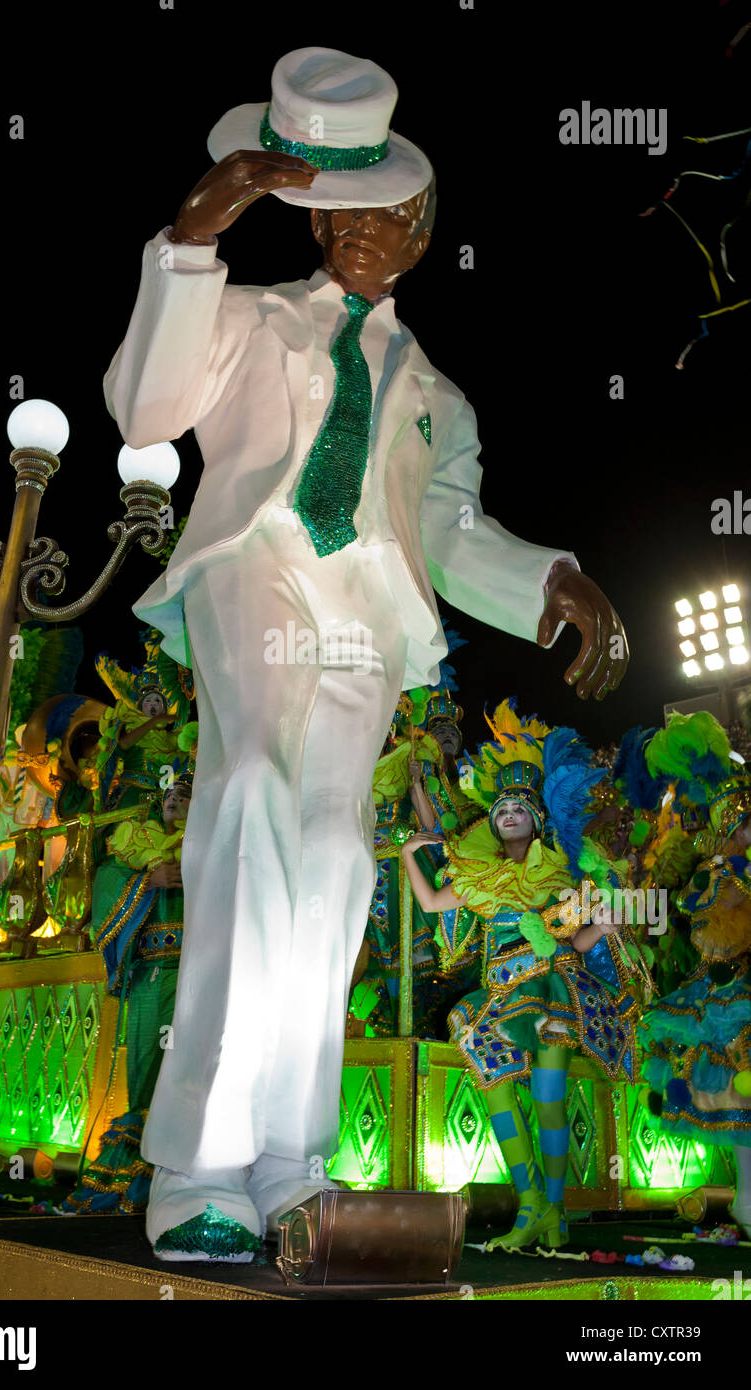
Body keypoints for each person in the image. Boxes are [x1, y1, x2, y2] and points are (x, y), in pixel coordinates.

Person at [104, 47, 629, 1260]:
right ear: (304, 209)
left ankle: (288, 1157)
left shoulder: (436, 390)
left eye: (392, 214)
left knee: (336, 857)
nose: (365, 234)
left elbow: (448, 531)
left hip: (365, 611)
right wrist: (190, 242)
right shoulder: (241, 313)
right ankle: (198, 1168)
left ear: (424, 227)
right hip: (252, 569)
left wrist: (552, 580)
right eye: (342, 211)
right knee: (246, 797)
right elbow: (142, 410)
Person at [401, 703, 646, 1248]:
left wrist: (601, 928)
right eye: (502, 806)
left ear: (539, 818)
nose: (509, 812)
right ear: (491, 820)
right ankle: (529, 1202)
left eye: (520, 806)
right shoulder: (479, 875)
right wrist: (408, 855)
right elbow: (433, 900)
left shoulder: (559, 871)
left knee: (548, 1098)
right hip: (497, 994)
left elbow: (572, 942)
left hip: (551, 991)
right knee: (493, 1087)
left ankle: (554, 1213)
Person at [60, 780, 191, 1215]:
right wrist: (148, 881)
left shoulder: (209, 842)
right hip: (152, 974)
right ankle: (135, 1175)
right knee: (146, 1065)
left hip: (199, 974)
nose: (173, 801)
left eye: (185, 797)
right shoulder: (138, 848)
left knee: (186, 1071)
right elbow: (106, 881)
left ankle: (178, 1170)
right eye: (169, 796)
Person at [641, 771, 751, 1236]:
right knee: (735, 1095)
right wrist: (722, 868)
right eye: (746, 822)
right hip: (725, 992)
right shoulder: (718, 868)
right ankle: (746, 1199)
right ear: (731, 823)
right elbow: (691, 906)